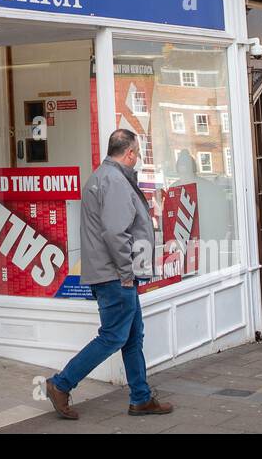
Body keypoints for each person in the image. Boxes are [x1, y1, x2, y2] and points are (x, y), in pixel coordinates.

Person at [44, 128, 172, 420]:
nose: (137, 158)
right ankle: (61, 384)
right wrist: (127, 274)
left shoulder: (102, 176)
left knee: (131, 337)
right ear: (129, 153)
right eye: (137, 153)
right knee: (114, 336)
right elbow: (116, 233)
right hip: (116, 276)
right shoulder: (114, 181)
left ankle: (141, 398)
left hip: (111, 273)